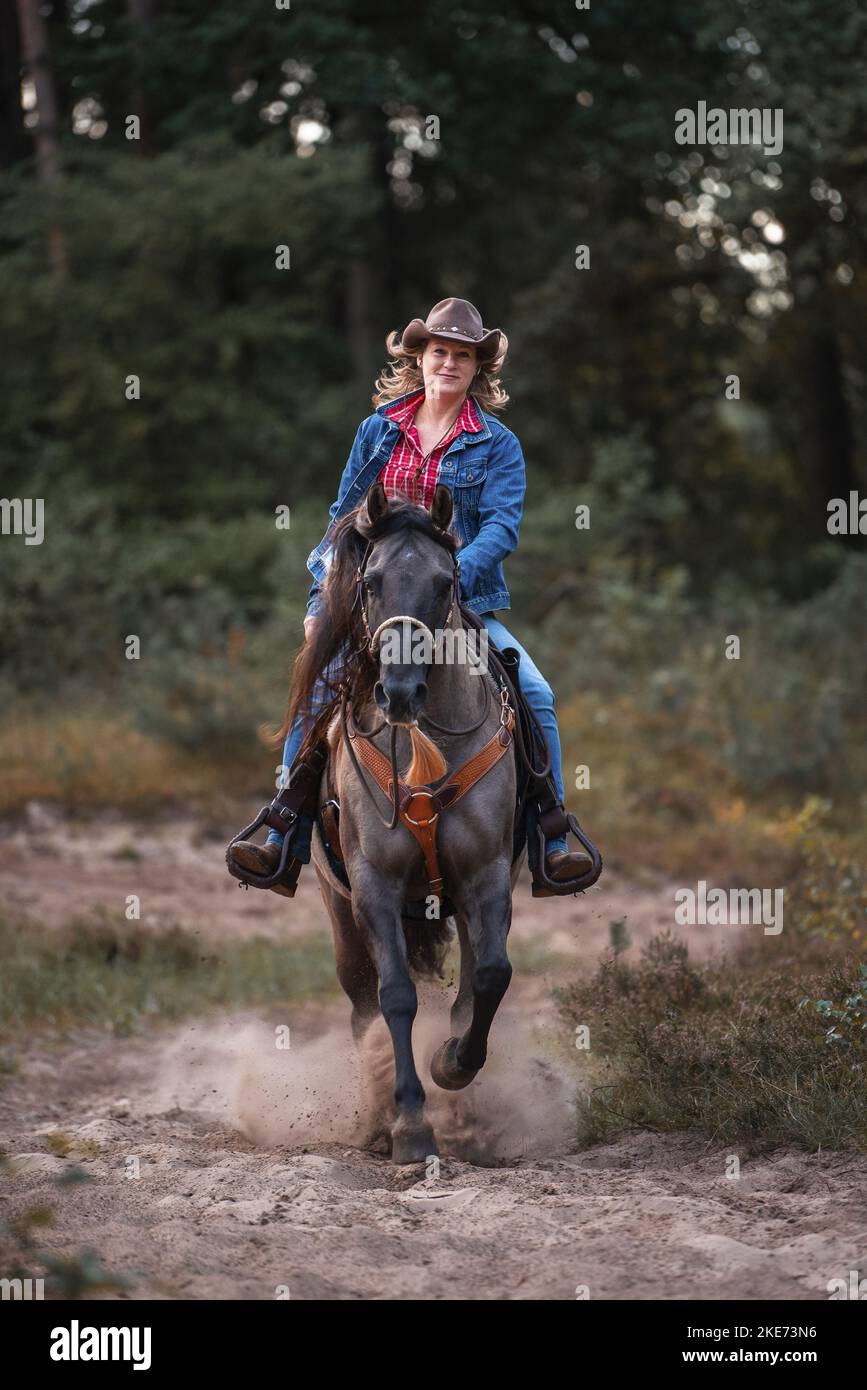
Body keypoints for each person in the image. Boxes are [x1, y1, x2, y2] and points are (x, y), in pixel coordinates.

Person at [231, 296, 591, 894]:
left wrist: (447, 578)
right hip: (374, 608)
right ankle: (284, 829)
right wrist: (320, 604)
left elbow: (501, 528)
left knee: (536, 694)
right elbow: (343, 521)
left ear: (478, 368)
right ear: (418, 358)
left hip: (458, 605)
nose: (449, 363)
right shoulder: (377, 431)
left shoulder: (498, 445)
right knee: (319, 687)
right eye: (439, 351)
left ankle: (552, 837)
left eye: (463, 356)